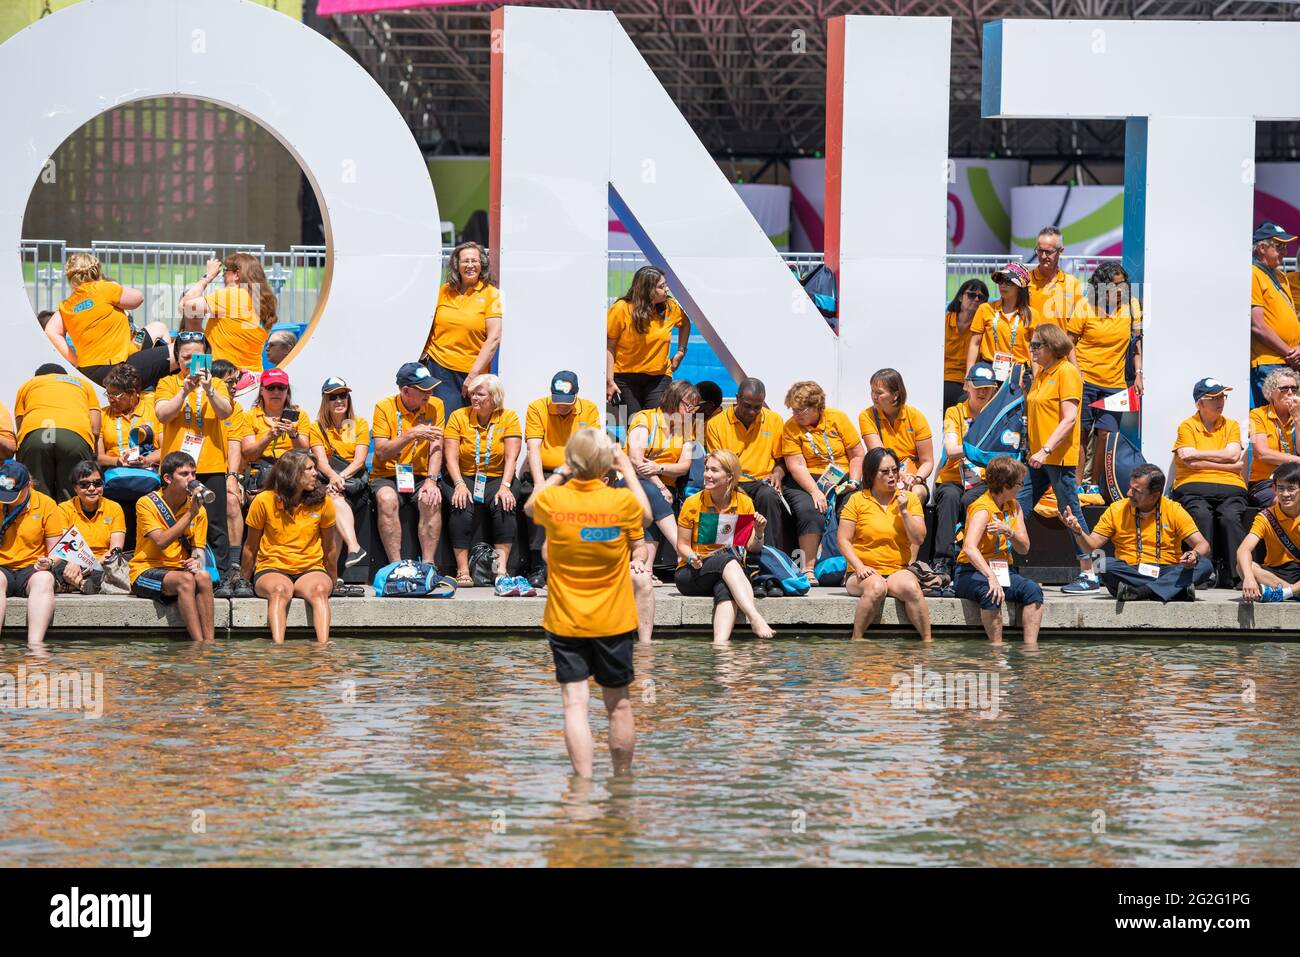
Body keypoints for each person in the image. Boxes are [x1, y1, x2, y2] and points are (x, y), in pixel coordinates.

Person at [525, 428, 654, 778]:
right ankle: (622, 782)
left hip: (567, 621)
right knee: (619, 704)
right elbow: (646, 515)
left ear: (571, 460)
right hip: (613, 621)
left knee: (575, 706)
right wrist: (626, 466)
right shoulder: (620, 502)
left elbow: (529, 505)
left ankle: (582, 786)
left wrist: (562, 472)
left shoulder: (556, 501)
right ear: (605, 463)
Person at [153, 331, 242, 597]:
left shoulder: (216, 383)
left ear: (207, 357)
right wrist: (184, 390)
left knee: (216, 525)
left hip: (211, 462)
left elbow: (225, 411)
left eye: (198, 357)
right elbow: (162, 414)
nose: (191, 363)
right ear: (177, 358)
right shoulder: (168, 383)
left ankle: (223, 578)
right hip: (176, 468)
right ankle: (175, 575)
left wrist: (208, 388)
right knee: (177, 522)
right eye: (186, 357)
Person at [1020, 323, 1099, 593]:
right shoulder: (1042, 374)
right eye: (1031, 345)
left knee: (1070, 513)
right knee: (1018, 505)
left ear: (1052, 345)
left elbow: (1069, 419)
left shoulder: (1066, 372)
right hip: (1037, 459)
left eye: (1036, 345)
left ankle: (1091, 573)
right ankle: (1000, 563)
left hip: (1057, 457)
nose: (1031, 350)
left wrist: (1046, 449)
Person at [1064, 463, 1213, 603]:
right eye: (1130, 488)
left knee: (1205, 565)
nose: (1129, 493)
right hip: (1131, 570)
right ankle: (1176, 590)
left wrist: (1194, 554)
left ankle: (1140, 592)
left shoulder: (1174, 509)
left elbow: (1203, 545)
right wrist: (1078, 532)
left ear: (1155, 495)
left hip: (1167, 569)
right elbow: (1091, 546)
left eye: (1137, 491)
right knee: (1103, 564)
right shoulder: (1116, 509)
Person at [675, 450, 774, 643]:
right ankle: (755, 617)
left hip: (727, 570)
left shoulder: (744, 502)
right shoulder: (693, 503)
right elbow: (682, 545)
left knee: (725, 587)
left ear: (729, 476)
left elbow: (752, 548)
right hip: (692, 572)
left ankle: (720, 647)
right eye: (706, 469)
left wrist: (759, 532)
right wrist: (690, 557)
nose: (707, 474)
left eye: (714, 470)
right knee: (727, 558)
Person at [242, 451, 339, 644]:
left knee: (320, 589)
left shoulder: (324, 502)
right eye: (309, 469)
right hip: (272, 568)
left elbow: (330, 548)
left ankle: (323, 647)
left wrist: (333, 580)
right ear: (291, 474)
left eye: (315, 468)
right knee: (279, 590)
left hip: (311, 568)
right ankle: (278, 648)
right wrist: (244, 581)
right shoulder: (263, 500)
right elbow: (250, 547)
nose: (315, 474)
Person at [519, 371, 602, 589]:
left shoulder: (589, 408)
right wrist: (539, 485)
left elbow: (592, 447)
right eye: (558, 401)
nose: (562, 406)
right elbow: (533, 447)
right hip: (545, 472)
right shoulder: (537, 407)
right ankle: (539, 566)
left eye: (567, 401)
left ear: (576, 394)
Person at [837, 448, 930, 641]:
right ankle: (857, 639)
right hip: (862, 572)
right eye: (885, 471)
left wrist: (904, 511)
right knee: (877, 587)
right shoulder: (857, 499)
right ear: (871, 474)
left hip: (898, 569)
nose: (892, 476)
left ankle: (927, 643)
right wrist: (859, 566)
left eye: (895, 470)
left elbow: (919, 539)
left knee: (912, 589)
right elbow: (843, 540)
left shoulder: (910, 499)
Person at [45, 252, 172, 388]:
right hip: (120, 367)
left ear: (70, 277)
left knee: (157, 327)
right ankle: (164, 386)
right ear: (97, 270)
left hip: (89, 371)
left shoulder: (67, 305)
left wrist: (75, 360)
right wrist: (114, 287)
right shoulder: (105, 288)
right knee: (175, 348)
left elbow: (51, 331)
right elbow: (138, 298)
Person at [443, 374, 523, 590]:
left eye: (480, 394)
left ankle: (501, 571)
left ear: (494, 398)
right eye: (472, 393)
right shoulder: (458, 416)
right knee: (461, 505)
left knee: (504, 505)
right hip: (465, 476)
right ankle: (462, 570)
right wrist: (458, 483)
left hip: (497, 477)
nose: (474, 398)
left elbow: (511, 458)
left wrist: (506, 486)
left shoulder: (509, 417)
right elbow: (450, 457)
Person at [780, 380, 865, 582]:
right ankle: (808, 568)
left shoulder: (837, 419)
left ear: (816, 407)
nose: (796, 414)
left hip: (841, 476)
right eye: (793, 409)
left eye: (801, 410)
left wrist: (853, 481)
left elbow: (856, 454)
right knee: (810, 509)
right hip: (806, 478)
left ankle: (851, 567)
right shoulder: (791, 427)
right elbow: (796, 465)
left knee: (852, 506)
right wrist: (814, 491)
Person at [954, 455, 1044, 644]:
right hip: (972, 571)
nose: (1022, 486)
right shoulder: (982, 509)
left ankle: (1030, 649)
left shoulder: (1014, 506)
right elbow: (969, 548)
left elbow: (1024, 548)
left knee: (1033, 591)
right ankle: (997, 650)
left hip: (1002, 569)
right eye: (1019, 483)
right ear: (1006, 485)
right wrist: (990, 577)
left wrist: (1009, 531)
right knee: (991, 594)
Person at [1069, 259, 1143, 487]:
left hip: (1115, 383)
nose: (1120, 290)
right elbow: (1069, 342)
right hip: (1086, 380)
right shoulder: (1085, 305)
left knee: (1106, 435)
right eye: (1114, 285)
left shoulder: (1132, 306)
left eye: (1123, 284)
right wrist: (1077, 371)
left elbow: (1137, 343)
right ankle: (1078, 485)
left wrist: (1139, 373)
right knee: (1081, 435)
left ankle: (1095, 485)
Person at [1170, 378, 1249, 587]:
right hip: (1193, 486)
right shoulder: (1187, 425)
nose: (1220, 401)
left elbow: (1233, 454)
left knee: (1231, 518)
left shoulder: (1231, 424)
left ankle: (1239, 575)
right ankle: (1201, 574)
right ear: (1199, 403)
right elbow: (1187, 457)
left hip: (1231, 487)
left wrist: (1200, 458)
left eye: (1222, 396)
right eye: (1213, 397)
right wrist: (1228, 463)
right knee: (1200, 515)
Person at [129, 452, 216, 642]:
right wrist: (190, 514)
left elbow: (198, 550)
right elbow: (161, 541)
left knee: (204, 576)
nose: (191, 479)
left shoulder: (198, 509)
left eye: (193, 473)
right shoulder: (146, 503)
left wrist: (196, 563)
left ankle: (210, 643)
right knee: (185, 580)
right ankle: (198, 644)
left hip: (177, 569)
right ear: (168, 478)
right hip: (145, 570)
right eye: (184, 474)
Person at [930, 361, 1000, 578]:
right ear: (966, 386)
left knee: (971, 499)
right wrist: (981, 451)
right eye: (978, 386)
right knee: (950, 496)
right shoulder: (955, 413)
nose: (983, 392)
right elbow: (951, 450)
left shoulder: (998, 416)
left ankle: (970, 558)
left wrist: (970, 451)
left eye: (988, 387)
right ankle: (942, 561)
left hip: (982, 481)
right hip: (952, 477)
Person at [371, 362, 444, 566]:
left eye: (430, 388)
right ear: (405, 390)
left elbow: (436, 447)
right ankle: (397, 566)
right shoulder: (384, 407)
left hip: (420, 474)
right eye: (423, 389)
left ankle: (429, 565)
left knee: (432, 499)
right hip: (386, 474)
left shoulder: (436, 405)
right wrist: (411, 434)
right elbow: (381, 452)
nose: (429, 393)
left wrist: (432, 480)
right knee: (387, 499)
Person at [704, 377, 787, 553]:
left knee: (769, 496)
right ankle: (725, 556)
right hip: (730, 480)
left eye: (757, 407)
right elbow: (717, 463)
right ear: (737, 399)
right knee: (724, 495)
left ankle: (771, 556)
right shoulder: (715, 424)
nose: (751, 411)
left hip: (761, 481)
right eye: (747, 405)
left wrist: (777, 475)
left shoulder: (775, 420)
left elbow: (781, 462)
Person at [420, 241, 502, 415]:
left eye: (475, 261)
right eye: (465, 261)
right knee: (445, 423)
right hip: (439, 367)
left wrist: (473, 374)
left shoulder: (491, 294)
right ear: (457, 265)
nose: (470, 265)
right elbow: (425, 323)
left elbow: (494, 337)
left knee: (469, 425)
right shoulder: (443, 291)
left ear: (482, 264)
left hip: (472, 371)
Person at [626, 378, 700, 568]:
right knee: (654, 493)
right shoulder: (645, 418)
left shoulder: (687, 426)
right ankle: (682, 549)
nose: (692, 411)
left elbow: (684, 465)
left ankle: (647, 567)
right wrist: (660, 485)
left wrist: (659, 468)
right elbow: (635, 460)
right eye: (688, 405)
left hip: (666, 483)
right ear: (673, 399)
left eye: (695, 407)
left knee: (655, 496)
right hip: (633, 480)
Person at [606, 265, 690, 420]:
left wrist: (681, 351)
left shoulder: (670, 307)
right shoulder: (621, 309)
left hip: (659, 377)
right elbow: (609, 347)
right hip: (625, 378)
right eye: (661, 286)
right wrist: (610, 381)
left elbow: (685, 324)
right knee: (635, 422)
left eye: (666, 284)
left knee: (657, 423)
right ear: (647, 290)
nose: (667, 289)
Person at [13, 363, 102, 502]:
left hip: (37, 434)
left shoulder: (29, 384)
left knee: (38, 497)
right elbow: (95, 428)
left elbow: (20, 424)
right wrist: (93, 453)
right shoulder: (83, 384)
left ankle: (41, 521)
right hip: (74, 436)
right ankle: (70, 522)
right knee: (73, 496)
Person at [0, 461, 66, 646]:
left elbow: (57, 550)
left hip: (32, 569)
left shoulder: (46, 504)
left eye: (13, 494)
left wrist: (49, 562)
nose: (6, 499)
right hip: (2, 568)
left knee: (44, 579)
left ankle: (35, 647)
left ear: (27, 486)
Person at [179, 254, 277, 374]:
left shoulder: (233, 294)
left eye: (225, 271)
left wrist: (208, 276)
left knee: (191, 322)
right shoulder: (262, 301)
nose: (222, 275)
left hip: (221, 375)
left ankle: (195, 378)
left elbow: (184, 305)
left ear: (236, 275)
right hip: (252, 376)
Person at [309, 377, 370, 570]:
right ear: (324, 401)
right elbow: (321, 462)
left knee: (334, 500)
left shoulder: (358, 424)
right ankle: (353, 549)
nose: (339, 400)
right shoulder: (317, 426)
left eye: (343, 395)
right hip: (329, 482)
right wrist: (334, 478)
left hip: (353, 484)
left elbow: (359, 460)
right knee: (334, 501)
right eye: (333, 397)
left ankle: (332, 572)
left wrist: (339, 477)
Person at [858, 368, 934, 505]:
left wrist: (916, 478)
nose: (874, 397)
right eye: (872, 392)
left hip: (912, 479)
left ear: (896, 395)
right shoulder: (867, 416)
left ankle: (910, 525)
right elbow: (880, 457)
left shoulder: (916, 416)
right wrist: (899, 475)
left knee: (916, 492)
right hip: (882, 476)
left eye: (879, 393)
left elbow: (927, 461)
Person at [1249, 222, 1300, 408]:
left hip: (1290, 361)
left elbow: (1292, 319)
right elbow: (1258, 326)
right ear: (1262, 247)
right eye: (1279, 246)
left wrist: (1297, 350)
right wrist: (1290, 353)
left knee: (1293, 419)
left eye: (1285, 246)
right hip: (1270, 362)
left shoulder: (1281, 276)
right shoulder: (1253, 274)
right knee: (1275, 418)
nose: (1285, 251)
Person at [56, 460, 126, 594]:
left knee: (114, 566)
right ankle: (82, 584)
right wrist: (74, 562)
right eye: (84, 484)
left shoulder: (114, 508)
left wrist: (92, 566)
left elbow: (115, 549)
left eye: (97, 483)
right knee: (55, 566)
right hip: (72, 562)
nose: (92, 489)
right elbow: (63, 546)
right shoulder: (64, 509)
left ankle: (68, 585)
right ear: (75, 488)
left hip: (101, 563)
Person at [238, 368, 312, 495]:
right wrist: (269, 436)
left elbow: (305, 451)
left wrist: (293, 434)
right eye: (271, 387)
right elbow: (249, 455)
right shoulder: (249, 417)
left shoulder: (301, 415)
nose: (276, 392)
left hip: (294, 474)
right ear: (262, 390)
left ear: (287, 390)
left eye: (281, 387)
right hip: (262, 475)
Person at [967, 261, 1041, 383]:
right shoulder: (985, 309)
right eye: (1000, 280)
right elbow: (974, 344)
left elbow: (1035, 350)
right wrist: (969, 376)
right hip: (988, 370)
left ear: (1020, 286)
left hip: (1020, 372)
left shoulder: (1033, 314)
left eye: (1008, 281)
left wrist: (1037, 379)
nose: (1003, 285)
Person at [1239, 461, 1300, 602]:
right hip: (1275, 573)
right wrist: (1248, 579)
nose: (1285, 494)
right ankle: (1293, 592)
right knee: (1243, 566)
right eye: (1280, 488)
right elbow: (1243, 550)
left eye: (1291, 489)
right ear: (1274, 488)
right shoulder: (1265, 516)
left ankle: (1284, 593)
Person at [1246, 368, 1300, 507]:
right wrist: (1297, 460)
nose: (1290, 392)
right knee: (1288, 503)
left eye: (1294, 388)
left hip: (1296, 479)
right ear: (1271, 392)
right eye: (1284, 388)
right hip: (1267, 482)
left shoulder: (1299, 414)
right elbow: (1261, 453)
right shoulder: (1257, 415)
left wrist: (1297, 418)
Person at [96, 363, 161, 472]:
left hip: (148, 473)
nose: (111, 400)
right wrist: (117, 461)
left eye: (115, 395)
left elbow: (165, 448)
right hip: (115, 475)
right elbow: (98, 457)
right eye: (108, 395)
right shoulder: (102, 415)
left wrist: (146, 460)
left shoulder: (154, 411)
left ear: (132, 393)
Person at [1026, 226, 1088, 329]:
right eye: (1040, 250)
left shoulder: (1072, 283)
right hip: (1032, 344)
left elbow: (1079, 322)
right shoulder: (1025, 280)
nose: (1043, 256)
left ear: (1061, 251)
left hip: (1061, 344)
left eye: (1048, 251)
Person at [943, 279, 990, 409]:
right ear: (960, 297)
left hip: (970, 380)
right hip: (944, 376)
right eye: (971, 295)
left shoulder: (985, 327)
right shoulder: (944, 321)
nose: (976, 299)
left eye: (980, 297)